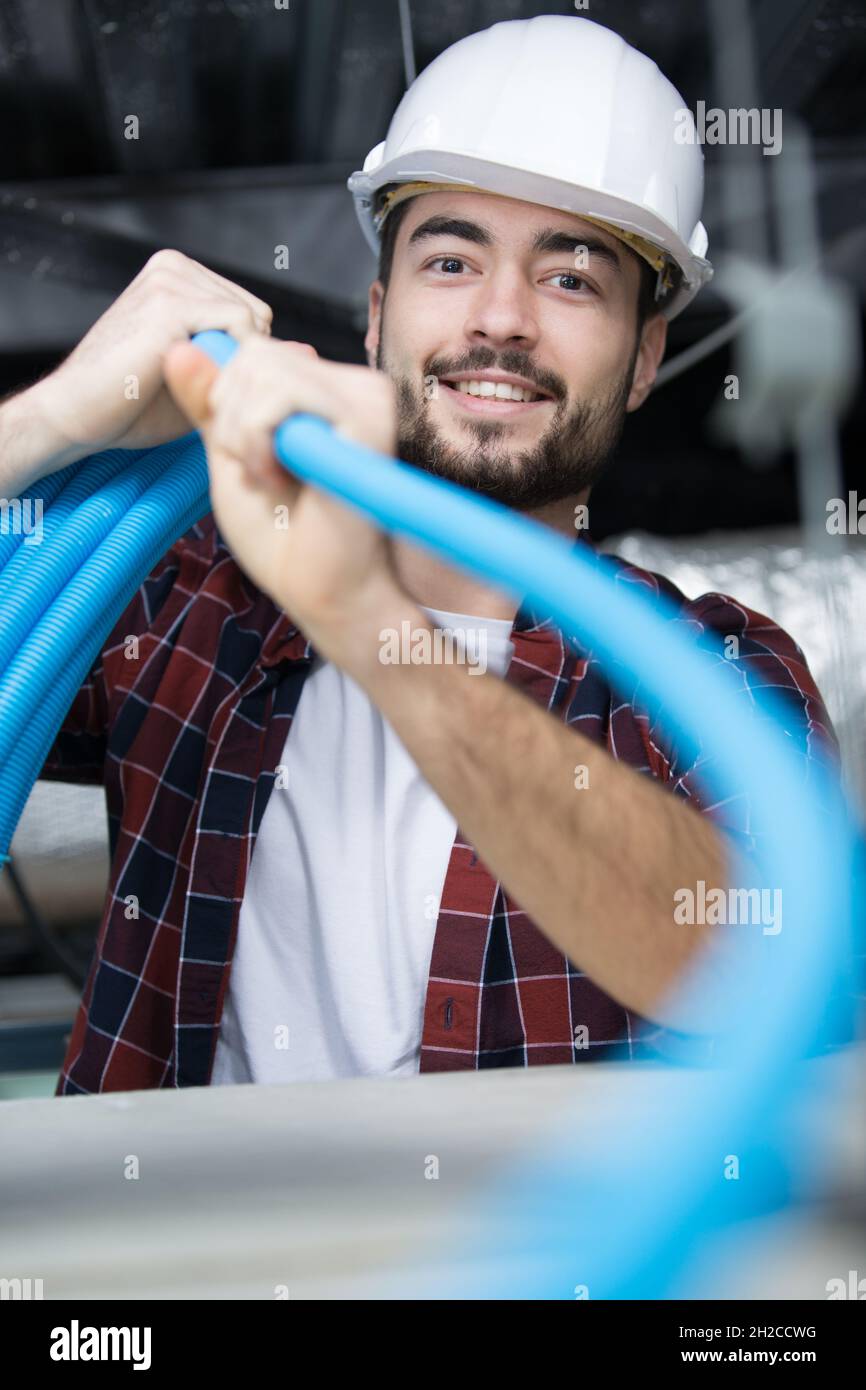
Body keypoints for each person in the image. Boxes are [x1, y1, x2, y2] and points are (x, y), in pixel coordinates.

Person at [0, 16, 840, 1093]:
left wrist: (368, 618)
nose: (502, 317)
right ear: (376, 316)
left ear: (643, 358)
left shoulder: (719, 673)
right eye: (451, 260)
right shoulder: (176, 607)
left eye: (570, 279)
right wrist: (47, 423)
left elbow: (766, 977)